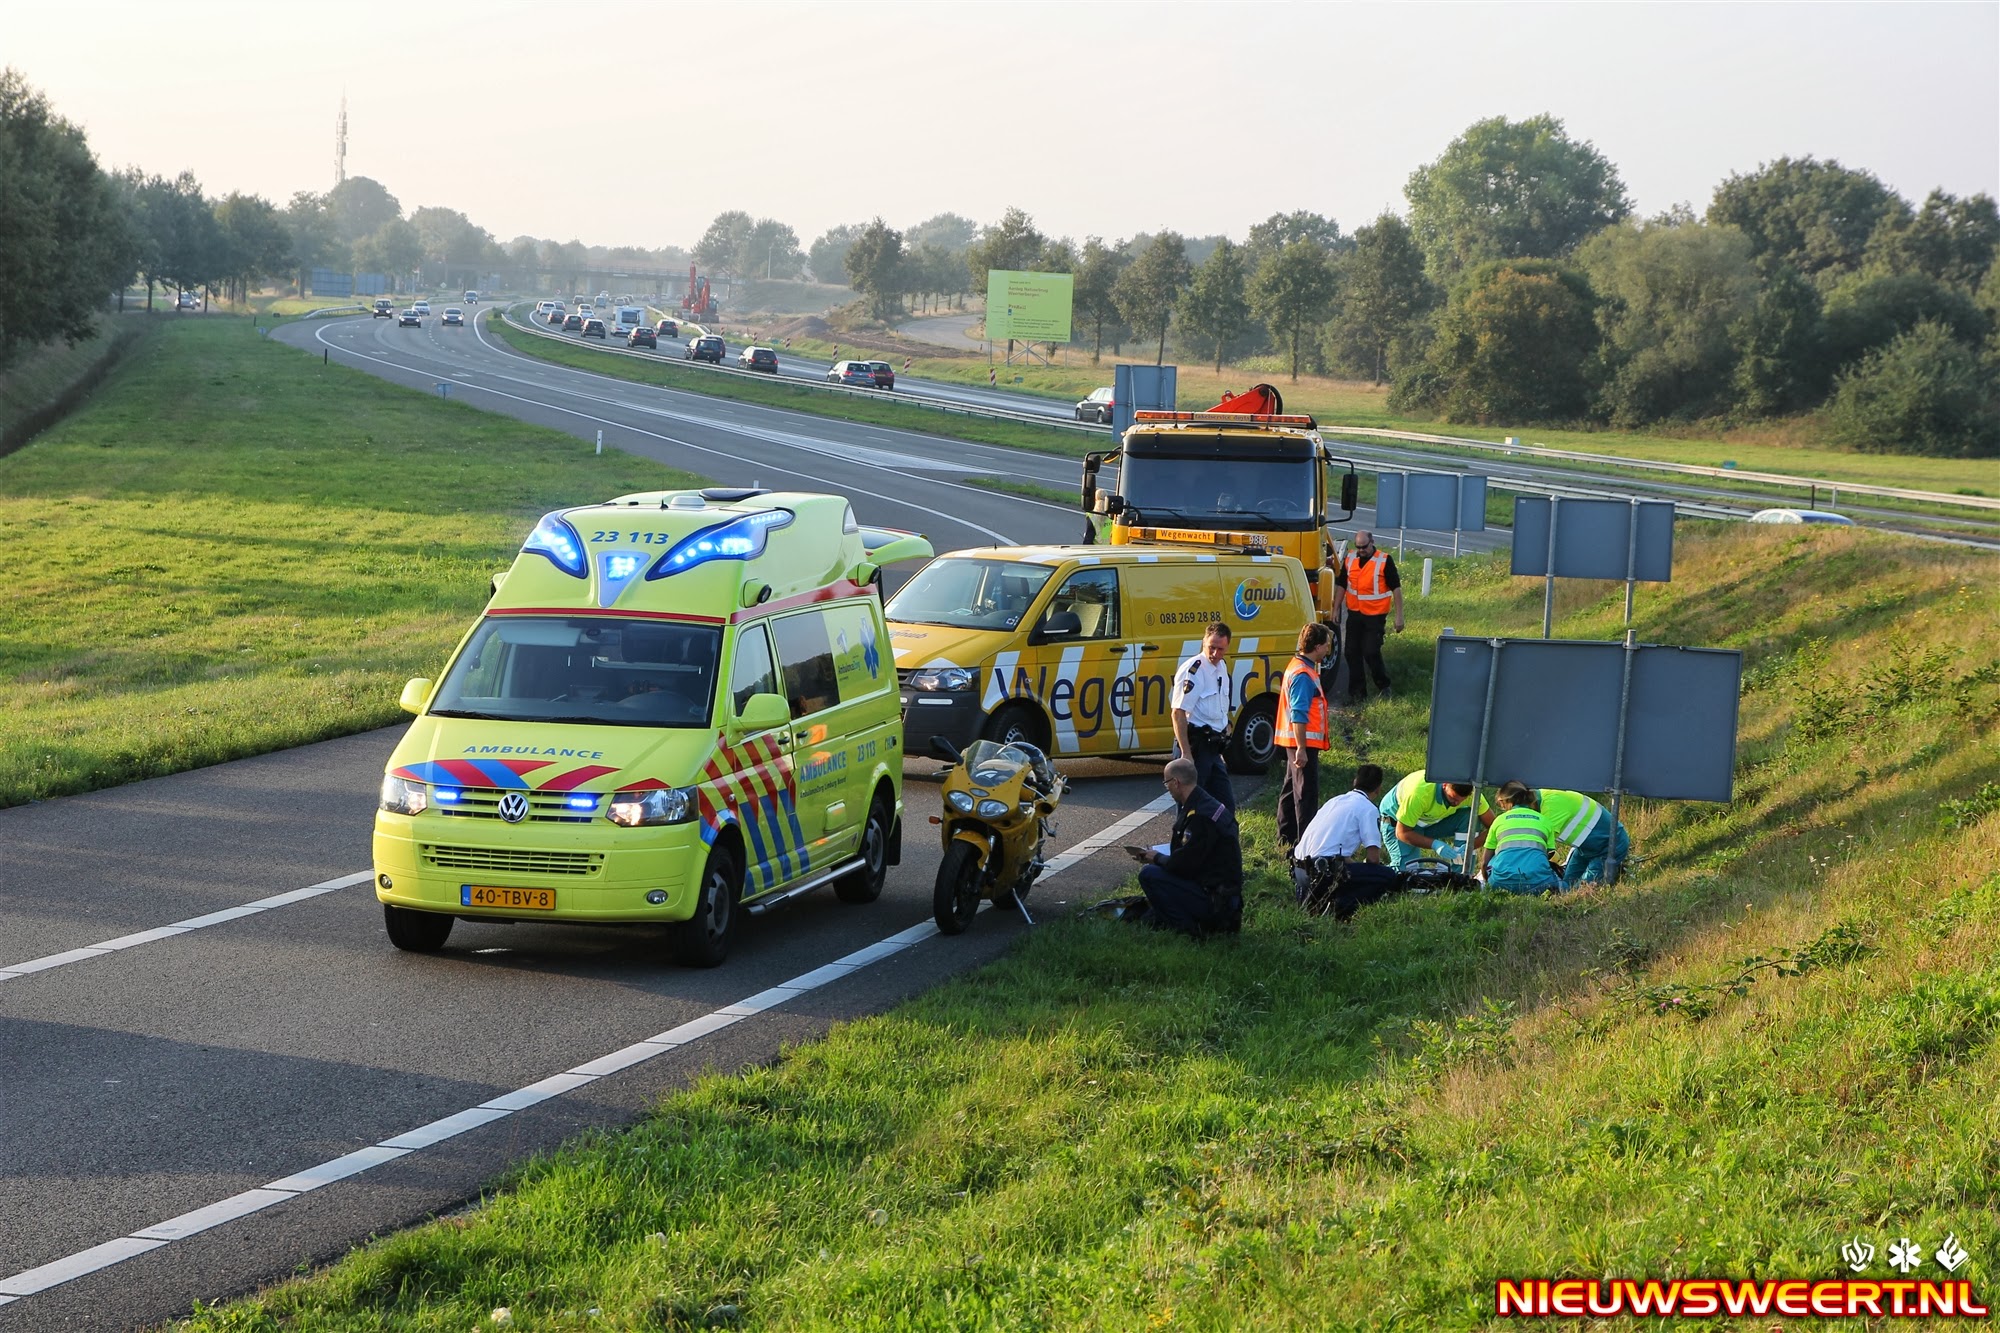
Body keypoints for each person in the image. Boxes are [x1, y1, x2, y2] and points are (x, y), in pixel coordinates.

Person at [1128, 758, 1243, 937]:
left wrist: (1155, 858)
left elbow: (1183, 866)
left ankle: (1186, 928)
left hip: (1216, 903)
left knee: (1149, 874)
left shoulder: (1199, 817)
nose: (1167, 788)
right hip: (1223, 895)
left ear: (1176, 783)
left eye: (1166, 783)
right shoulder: (1206, 804)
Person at [1292, 763, 1393, 909]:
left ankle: (1319, 905)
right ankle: (1342, 907)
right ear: (1378, 789)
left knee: (1347, 870)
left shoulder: (1334, 801)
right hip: (1323, 872)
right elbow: (1373, 858)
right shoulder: (1368, 809)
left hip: (1299, 870)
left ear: (1355, 781)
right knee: (1387, 876)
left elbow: (1334, 850)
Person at [1275, 622, 1335, 849]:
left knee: (1291, 791)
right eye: (1326, 645)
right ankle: (1306, 845)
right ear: (1317, 646)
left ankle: (1286, 839)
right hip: (1303, 743)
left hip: (1296, 742)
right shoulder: (1303, 674)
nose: (1328, 650)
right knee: (1305, 795)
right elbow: (1299, 714)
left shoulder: (1299, 666)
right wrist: (1301, 748)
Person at [1170, 620, 1236, 815]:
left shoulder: (1221, 667)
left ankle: (1216, 846)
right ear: (1203, 643)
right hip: (1195, 747)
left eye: (1220, 649)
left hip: (1212, 748)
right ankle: (1185, 846)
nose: (1215, 654)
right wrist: (1186, 754)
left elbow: (1219, 711)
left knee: (1224, 809)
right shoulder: (1194, 670)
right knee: (1190, 810)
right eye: (1211, 648)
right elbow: (1178, 712)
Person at [1334, 530, 1403, 706]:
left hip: (1375, 615)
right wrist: (1335, 608)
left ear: (1372, 542)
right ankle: (1357, 695)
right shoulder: (1350, 558)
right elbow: (1342, 584)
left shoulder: (1384, 560)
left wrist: (1399, 617)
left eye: (1364, 547)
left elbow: (1396, 588)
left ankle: (1383, 686)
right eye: (1358, 547)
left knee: (1371, 651)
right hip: (1355, 614)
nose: (1361, 550)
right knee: (1350, 652)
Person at [1378, 769, 1494, 872]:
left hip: (1430, 821)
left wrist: (1470, 846)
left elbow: (1494, 827)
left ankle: (1460, 875)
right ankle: (1374, 871)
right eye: (1453, 798)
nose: (1456, 804)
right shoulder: (1420, 794)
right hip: (1397, 822)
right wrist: (1435, 845)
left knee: (1469, 816)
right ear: (1444, 785)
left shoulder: (1473, 795)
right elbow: (1402, 832)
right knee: (1406, 873)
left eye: (1461, 800)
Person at [1537, 787, 1634, 887]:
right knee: (1567, 885)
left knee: (1583, 888)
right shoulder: (1543, 796)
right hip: (1585, 849)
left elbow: (1542, 849)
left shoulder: (1551, 808)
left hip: (1609, 847)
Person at [1479, 781, 1562, 894]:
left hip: (1501, 884)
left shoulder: (1499, 820)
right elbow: (1549, 855)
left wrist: (1489, 883)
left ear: (1506, 801)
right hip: (1539, 883)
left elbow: (1484, 863)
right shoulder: (1545, 820)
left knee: (1495, 858)